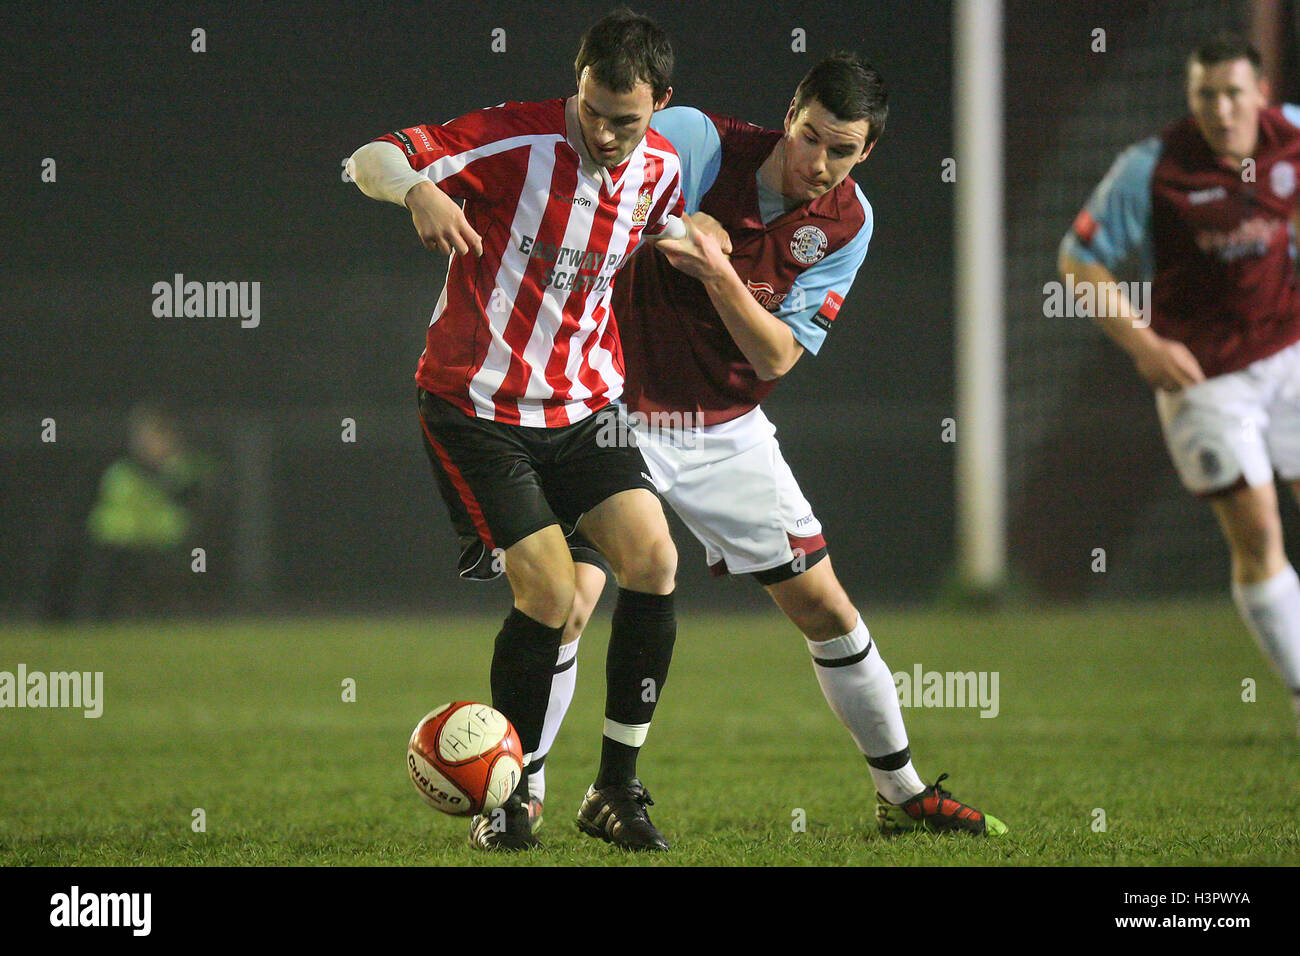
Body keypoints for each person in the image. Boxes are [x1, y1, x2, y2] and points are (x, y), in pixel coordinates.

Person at [525, 52, 1006, 837]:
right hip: (613, 409)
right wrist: (669, 219)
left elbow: (777, 355)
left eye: (840, 149)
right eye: (809, 136)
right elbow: (605, 179)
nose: (818, 161)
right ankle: (530, 794)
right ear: (789, 114)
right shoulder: (696, 139)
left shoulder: (850, 223)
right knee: (571, 599)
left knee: (827, 607)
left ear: (866, 152)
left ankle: (904, 795)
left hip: (725, 430)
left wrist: (716, 269)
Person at [347, 9, 686, 851]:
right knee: (550, 592)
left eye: (626, 120)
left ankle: (616, 787)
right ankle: (508, 803)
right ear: (577, 86)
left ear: (662, 104)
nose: (605, 133)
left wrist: (702, 249)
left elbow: (659, 228)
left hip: (585, 408)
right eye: (593, 110)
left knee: (654, 560)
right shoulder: (513, 140)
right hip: (479, 406)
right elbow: (369, 157)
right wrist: (419, 187)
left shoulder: (664, 170)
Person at [1059, 35, 1300, 736]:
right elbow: (1079, 261)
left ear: (1261, 93)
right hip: (1205, 376)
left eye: (1233, 93)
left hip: (1289, 352)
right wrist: (1144, 343)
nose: (1221, 110)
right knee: (1258, 533)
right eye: (1205, 96)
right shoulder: (1153, 167)